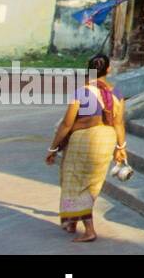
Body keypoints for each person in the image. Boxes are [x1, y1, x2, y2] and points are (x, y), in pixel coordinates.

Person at [46, 53, 127, 242]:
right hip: (106, 139)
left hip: (83, 140)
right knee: (91, 184)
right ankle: (73, 221)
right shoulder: (117, 94)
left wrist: (52, 148)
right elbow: (119, 123)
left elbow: (66, 124)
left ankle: (89, 230)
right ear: (108, 69)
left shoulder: (82, 92)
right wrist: (121, 147)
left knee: (75, 183)